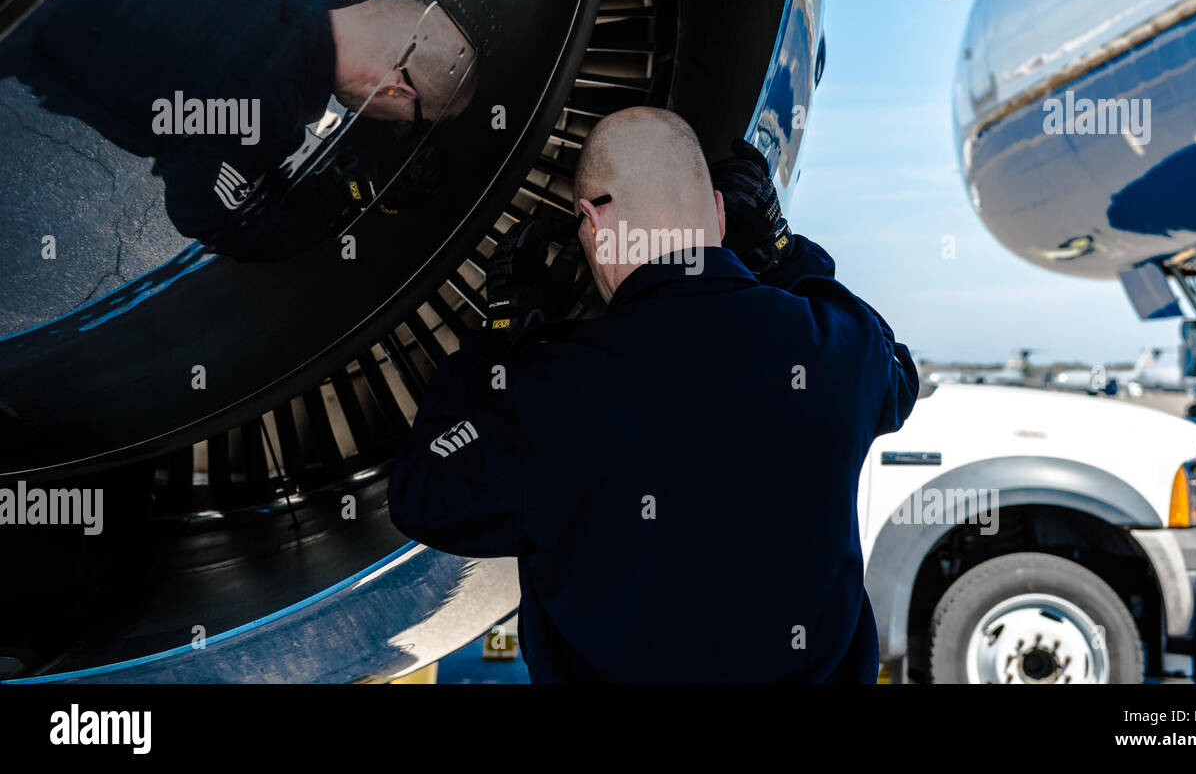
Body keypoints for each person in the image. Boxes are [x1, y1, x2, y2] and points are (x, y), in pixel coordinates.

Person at [388, 106, 919, 682]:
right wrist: (784, 251)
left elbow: (425, 491)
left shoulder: (544, 388)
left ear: (593, 222)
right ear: (719, 212)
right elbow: (898, 377)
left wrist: (500, 334)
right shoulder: (833, 350)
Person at [3, 0, 475, 260]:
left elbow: (343, 20)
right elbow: (219, 222)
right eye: (411, 120)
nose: (399, 127)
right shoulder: (257, 118)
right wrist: (351, 190)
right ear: (393, 89)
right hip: (31, 40)